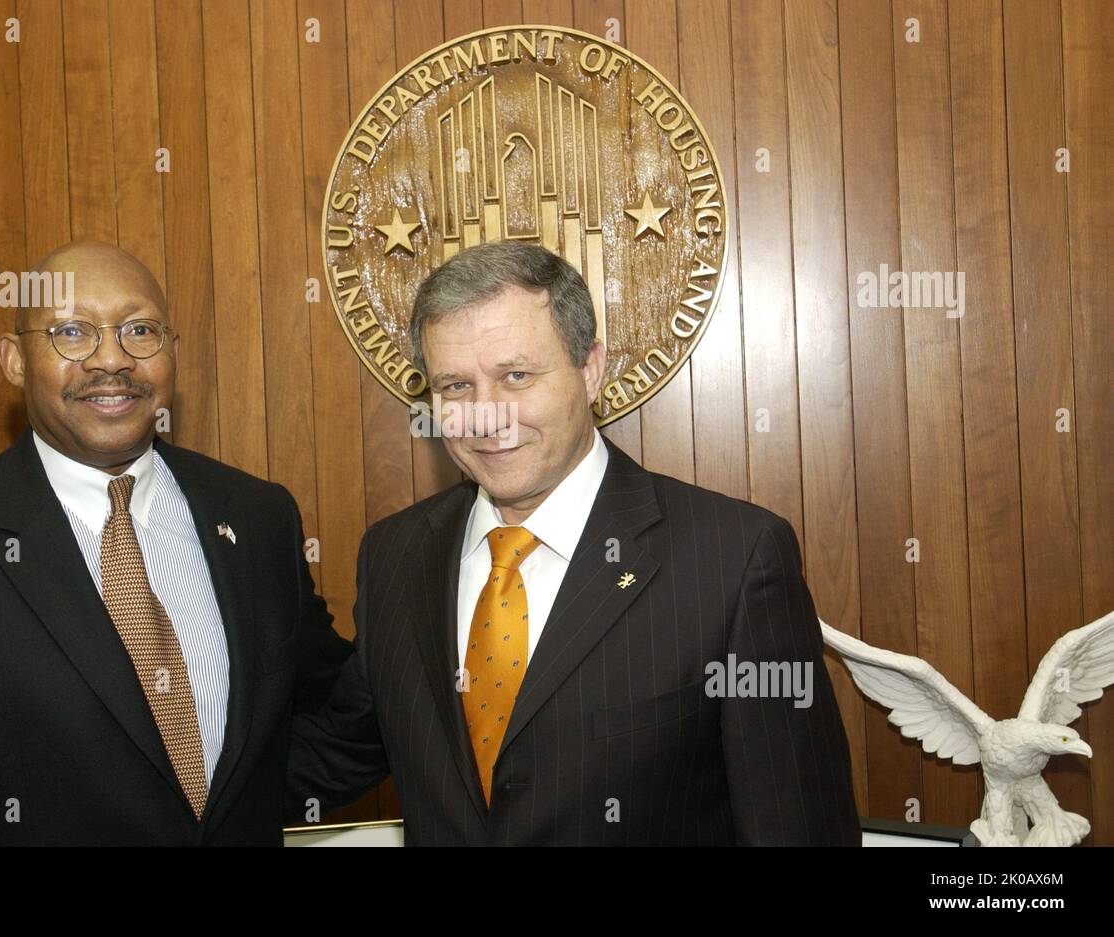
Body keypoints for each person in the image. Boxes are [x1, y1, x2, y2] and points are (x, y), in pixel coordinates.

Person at [288, 241, 861, 845]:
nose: (486, 416)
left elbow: (798, 827)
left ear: (589, 369)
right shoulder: (394, 555)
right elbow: (339, 751)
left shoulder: (734, 560)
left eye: (516, 376)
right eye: (455, 386)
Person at [0, 241, 351, 845]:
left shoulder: (259, 520)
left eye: (140, 330)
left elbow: (335, 713)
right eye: (72, 332)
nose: (112, 360)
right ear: (15, 360)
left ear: (173, 353)